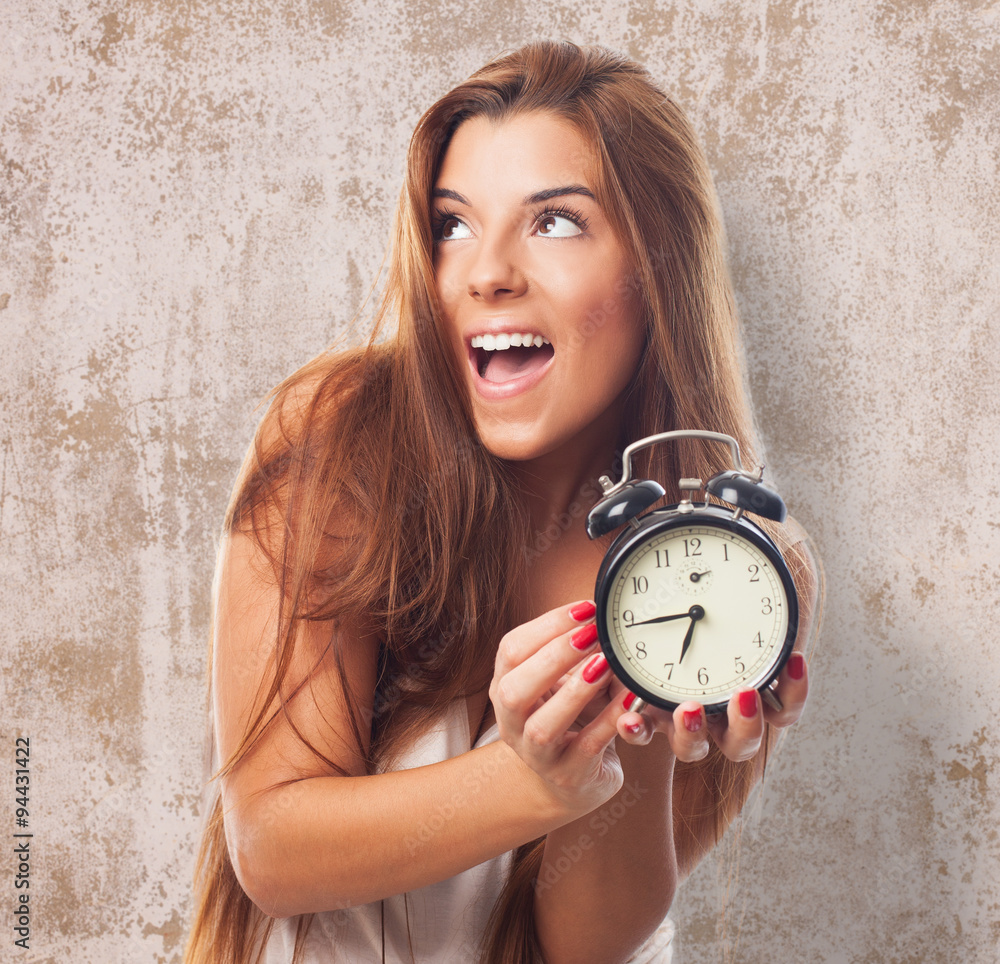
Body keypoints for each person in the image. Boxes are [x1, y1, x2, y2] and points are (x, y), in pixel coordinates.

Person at [184, 39, 817, 964]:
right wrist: (529, 781)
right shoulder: (340, 444)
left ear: (658, 266)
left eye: (555, 223)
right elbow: (274, 847)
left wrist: (642, 703)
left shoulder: (742, 570)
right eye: (453, 225)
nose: (486, 273)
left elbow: (580, 946)